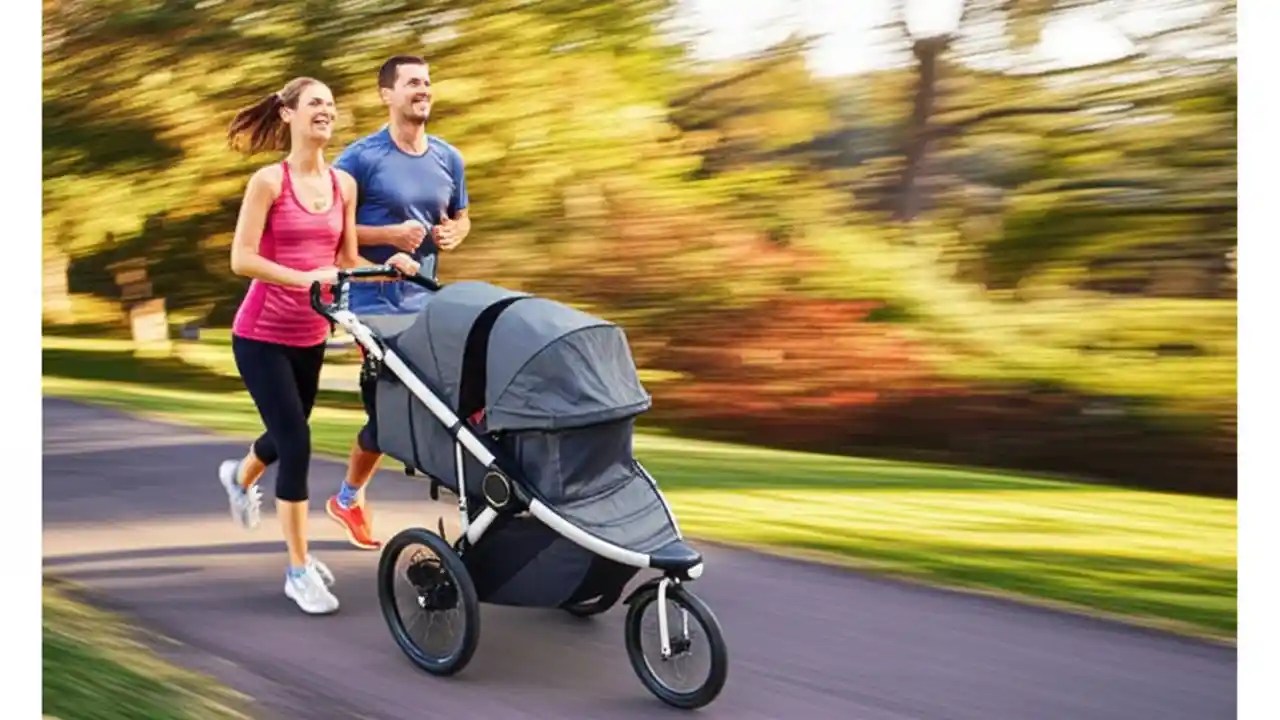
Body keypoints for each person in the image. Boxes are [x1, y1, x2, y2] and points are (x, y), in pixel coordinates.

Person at [216, 76, 420, 615]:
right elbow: (241, 259)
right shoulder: (268, 182)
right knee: (297, 442)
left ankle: (239, 476)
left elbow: (346, 260)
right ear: (288, 114)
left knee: (286, 434)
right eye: (315, 103)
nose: (326, 111)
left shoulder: (342, 186)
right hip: (260, 335)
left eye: (330, 104)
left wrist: (389, 266)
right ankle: (299, 570)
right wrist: (305, 278)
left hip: (311, 334)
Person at [322, 54, 471, 551]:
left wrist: (456, 232)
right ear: (387, 94)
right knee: (394, 411)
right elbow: (327, 227)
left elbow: (462, 216)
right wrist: (387, 237)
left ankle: (473, 501)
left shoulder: (448, 158)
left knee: (455, 401)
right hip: (371, 304)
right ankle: (348, 498)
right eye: (411, 83)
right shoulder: (360, 158)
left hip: (426, 301)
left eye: (427, 82)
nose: (423, 89)